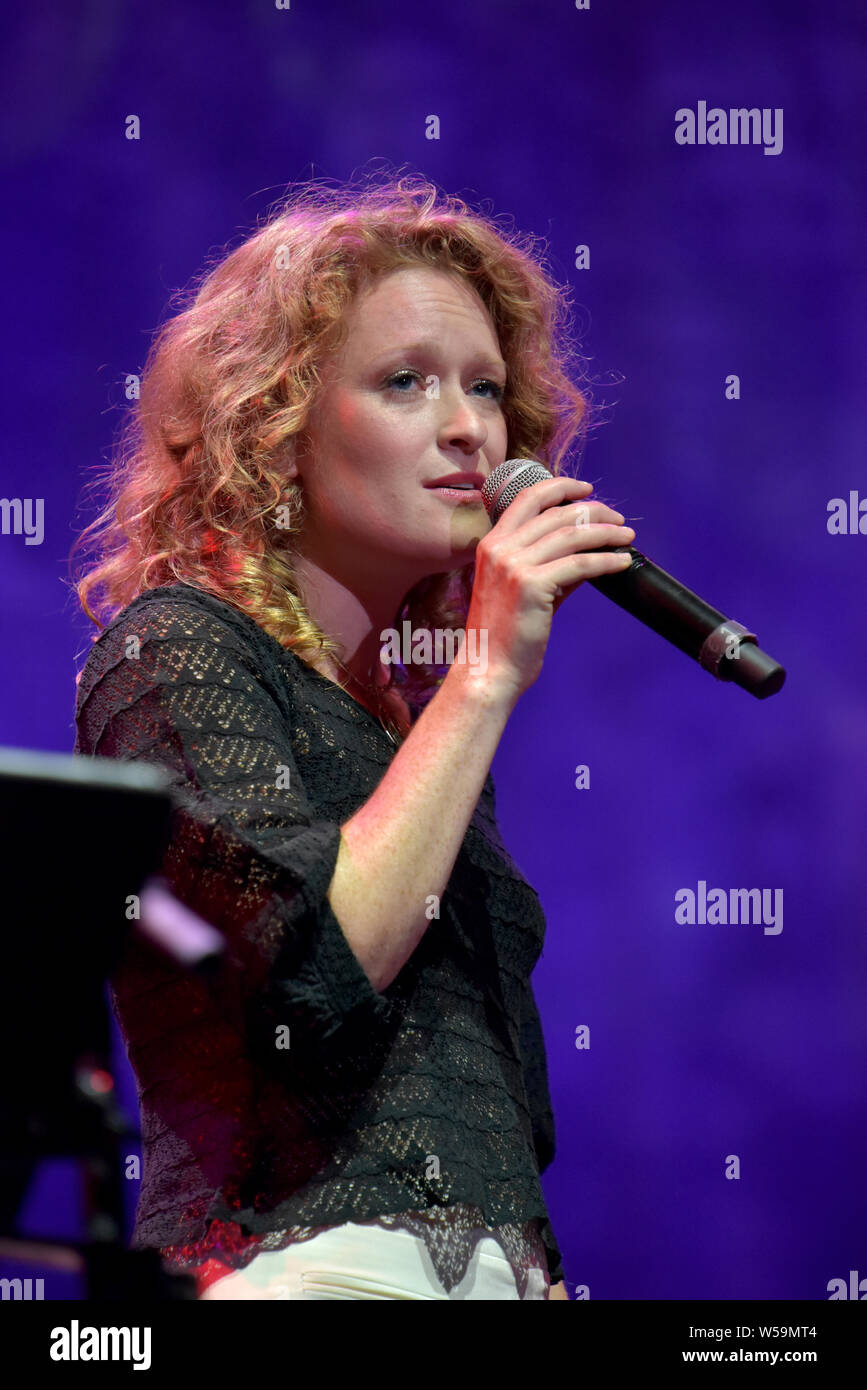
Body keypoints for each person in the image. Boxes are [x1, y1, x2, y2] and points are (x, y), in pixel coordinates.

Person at [69, 171, 635, 1300]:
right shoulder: (170, 653)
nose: (471, 427)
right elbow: (318, 971)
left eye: (487, 387)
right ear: (273, 420)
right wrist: (483, 674)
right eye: (406, 382)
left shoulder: (409, 724)